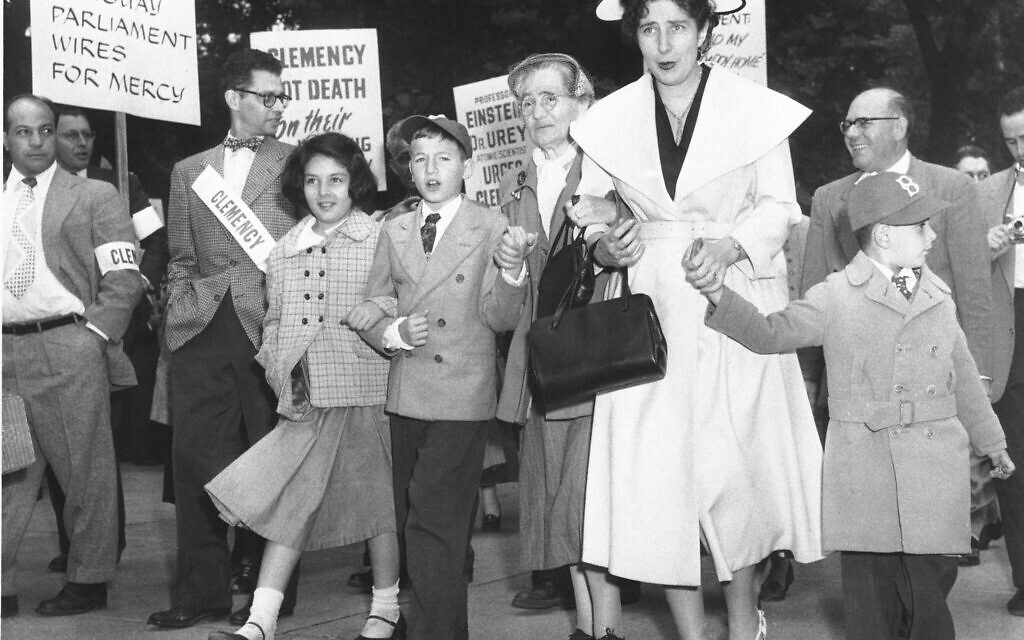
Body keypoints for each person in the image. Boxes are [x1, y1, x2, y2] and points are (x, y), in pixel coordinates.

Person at [570, 2, 825, 639]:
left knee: (736, 474)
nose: (664, 44)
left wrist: (732, 246)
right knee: (661, 483)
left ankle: (743, 622)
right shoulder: (609, 118)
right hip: (650, 307)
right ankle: (691, 634)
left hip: (731, 299)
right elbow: (590, 206)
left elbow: (779, 206)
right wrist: (605, 245)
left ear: (705, 31)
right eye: (649, 28)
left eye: (678, 27)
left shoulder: (754, 109)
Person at [686, 172, 1016, 640]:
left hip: (933, 468)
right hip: (866, 470)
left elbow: (962, 375)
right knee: (870, 598)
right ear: (884, 235)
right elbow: (769, 333)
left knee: (930, 589)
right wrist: (719, 294)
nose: (932, 236)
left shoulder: (937, 296)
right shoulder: (835, 296)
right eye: (921, 227)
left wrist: (992, 442)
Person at [203, 132, 402, 640]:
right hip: (306, 401)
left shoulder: (380, 238)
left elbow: (402, 300)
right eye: (312, 181)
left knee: (377, 505)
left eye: (336, 179)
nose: (324, 191)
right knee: (291, 503)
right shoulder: (283, 251)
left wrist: (379, 311)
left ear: (356, 183)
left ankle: (385, 608)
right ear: (299, 187)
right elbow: (274, 323)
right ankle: (261, 620)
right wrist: (280, 370)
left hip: (364, 392)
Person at [358, 114, 531, 640]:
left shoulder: (492, 226)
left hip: (462, 393)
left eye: (444, 159)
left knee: (431, 520)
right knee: (421, 522)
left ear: (467, 167)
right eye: (420, 159)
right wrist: (392, 333)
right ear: (408, 169)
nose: (431, 170)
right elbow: (374, 301)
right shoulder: (394, 228)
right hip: (407, 391)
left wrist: (512, 271)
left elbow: (501, 318)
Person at [147, 49, 301, 630]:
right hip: (202, 327)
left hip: (270, 325)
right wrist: (179, 313)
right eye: (268, 95)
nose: (279, 106)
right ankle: (201, 594)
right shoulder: (190, 171)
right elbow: (180, 257)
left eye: (282, 96)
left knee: (272, 459)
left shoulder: (297, 163)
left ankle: (272, 594)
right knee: (195, 462)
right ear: (235, 98)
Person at [495, 52, 627, 636]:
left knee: (588, 501)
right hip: (541, 364)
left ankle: (607, 627)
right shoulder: (513, 184)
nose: (537, 112)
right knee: (557, 503)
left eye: (551, 98)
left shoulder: (612, 172)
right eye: (526, 102)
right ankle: (588, 624)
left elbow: (631, 248)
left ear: (583, 104)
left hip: (597, 358)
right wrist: (510, 269)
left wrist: (608, 229)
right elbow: (502, 310)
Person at [1, 94, 144, 617]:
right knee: (9, 475)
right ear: (5, 139)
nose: (36, 141)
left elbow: (124, 277)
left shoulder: (95, 195)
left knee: (84, 470)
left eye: (45, 130)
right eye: (23, 132)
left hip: (69, 344)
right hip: (5, 351)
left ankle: (89, 579)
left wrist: (94, 336)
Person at [801, 87, 994, 394]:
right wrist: (807, 378)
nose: (851, 133)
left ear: (899, 126)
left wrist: (980, 376)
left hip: (935, 381)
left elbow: (976, 294)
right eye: (847, 125)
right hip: (854, 386)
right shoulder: (828, 199)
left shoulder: (953, 189)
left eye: (863, 123)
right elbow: (812, 294)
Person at [979, 85, 1024, 616]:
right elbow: (958, 267)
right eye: (1010, 140)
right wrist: (984, 248)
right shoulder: (988, 190)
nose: (1019, 150)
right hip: (1011, 332)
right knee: (1015, 466)